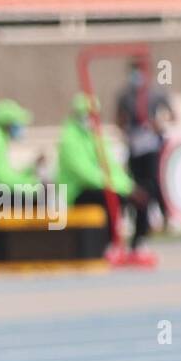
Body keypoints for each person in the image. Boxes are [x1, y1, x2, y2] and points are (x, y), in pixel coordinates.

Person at [57, 92, 147, 263]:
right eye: (87, 115)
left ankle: (136, 246)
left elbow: (112, 167)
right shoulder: (69, 139)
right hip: (78, 192)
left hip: (104, 186)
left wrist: (129, 188)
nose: (91, 119)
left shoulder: (97, 137)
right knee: (107, 199)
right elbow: (85, 173)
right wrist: (116, 188)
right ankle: (108, 247)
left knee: (141, 198)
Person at [116, 58, 173, 249]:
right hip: (135, 146)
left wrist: (158, 124)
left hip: (151, 146)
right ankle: (139, 227)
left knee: (152, 184)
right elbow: (119, 118)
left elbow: (172, 114)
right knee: (136, 188)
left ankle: (161, 216)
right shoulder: (125, 96)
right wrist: (125, 130)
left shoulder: (156, 93)